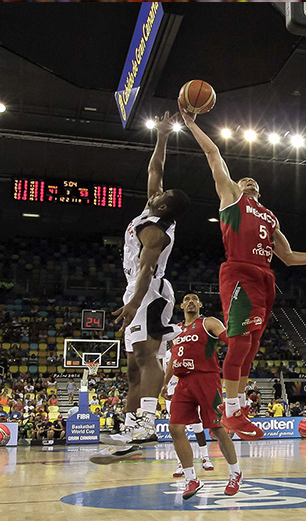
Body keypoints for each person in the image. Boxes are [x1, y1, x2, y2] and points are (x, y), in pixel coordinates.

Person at [178, 103, 306, 442]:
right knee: (239, 342)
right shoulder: (232, 197)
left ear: (260, 191)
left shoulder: (270, 217)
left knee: (250, 346)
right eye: (243, 177)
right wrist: (191, 123)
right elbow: (214, 154)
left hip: (265, 278)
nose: (248, 179)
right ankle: (229, 411)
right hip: (239, 272)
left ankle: (239, 407)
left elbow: (287, 257)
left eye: (252, 180)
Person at [94, 112, 190, 463]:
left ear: (164, 205)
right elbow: (156, 171)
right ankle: (131, 425)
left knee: (146, 357)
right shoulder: (151, 212)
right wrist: (163, 136)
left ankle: (148, 421)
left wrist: (134, 301)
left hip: (149, 292)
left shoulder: (155, 229)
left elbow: (148, 267)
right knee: (134, 366)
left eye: (161, 194)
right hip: (136, 289)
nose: (156, 190)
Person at [160, 293, 242, 499]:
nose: (190, 302)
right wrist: (164, 384)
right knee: (174, 427)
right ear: (181, 305)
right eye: (186, 299)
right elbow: (173, 359)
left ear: (200, 304)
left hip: (206, 380)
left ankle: (235, 473)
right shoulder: (176, 331)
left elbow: (230, 341)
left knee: (216, 428)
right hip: (183, 382)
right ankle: (191, 479)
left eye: (194, 299)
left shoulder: (208, 322)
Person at [161, 373, 215, 477]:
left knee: (197, 426)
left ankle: (205, 457)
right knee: (177, 430)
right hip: (171, 394)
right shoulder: (163, 357)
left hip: (190, 392)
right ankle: (180, 463)